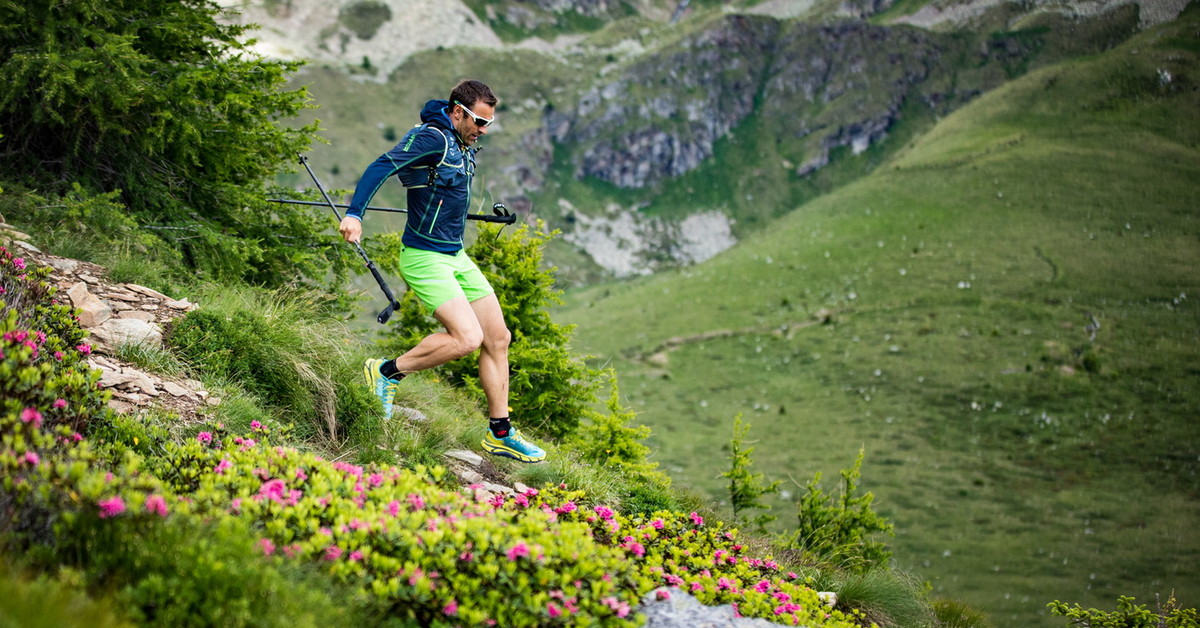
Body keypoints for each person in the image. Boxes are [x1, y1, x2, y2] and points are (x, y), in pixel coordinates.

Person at [338, 79, 545, 463]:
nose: (483, 130)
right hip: (424, 257)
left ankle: (500, 432)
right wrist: (354, 214)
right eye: (479, 122)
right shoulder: (432, 138)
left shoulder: (462, 143)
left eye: (488, 124)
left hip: (455, 255)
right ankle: (385, 372)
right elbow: (381, 166)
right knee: (467, 338)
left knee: (498, 338)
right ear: (457, 111)